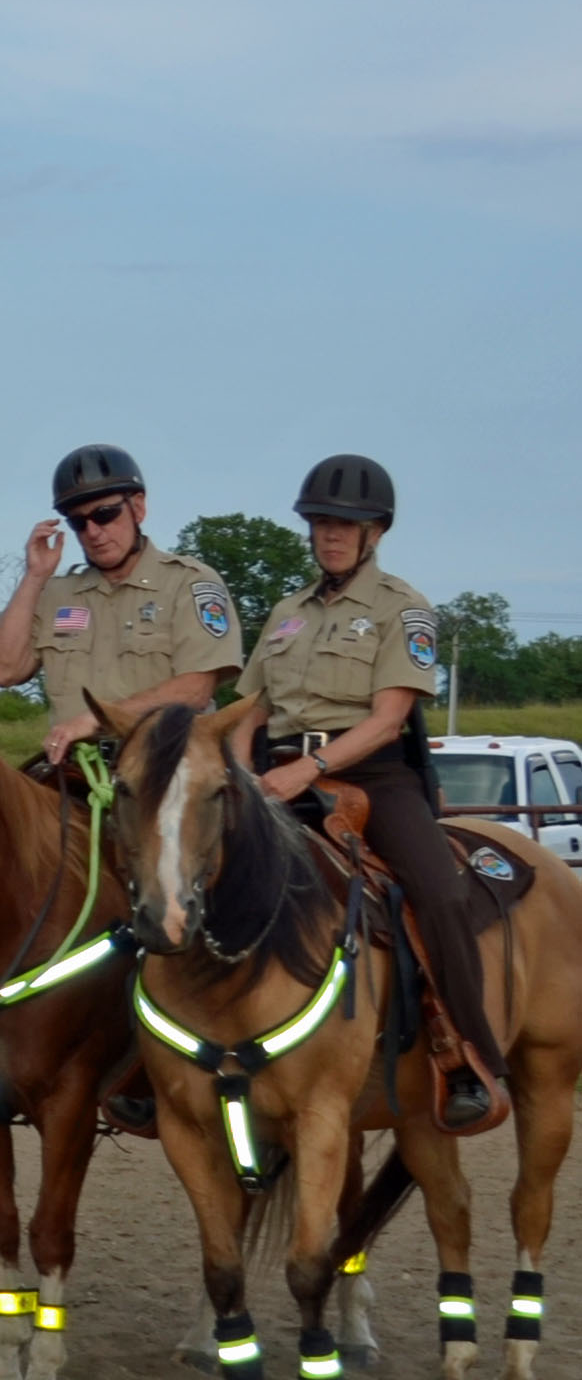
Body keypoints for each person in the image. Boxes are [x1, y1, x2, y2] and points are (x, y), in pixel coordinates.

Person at [236, 454, 503, 1134]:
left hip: (373, 775)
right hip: (274, 771)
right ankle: (160, 1057)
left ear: (375, 531)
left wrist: (311, 766)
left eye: (345, 524)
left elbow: (388, 717)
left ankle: (465, 1053)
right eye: (321, 522)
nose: (330, 534)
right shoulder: (286, 611)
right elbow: (248, 711)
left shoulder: (403, 608)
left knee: (438, 889)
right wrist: (241, 779)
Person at [0, 443, 243, 779]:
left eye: (105, 514)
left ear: (137, 508)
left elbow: (195, 689)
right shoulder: (57, 593)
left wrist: (96, 719)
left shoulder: (189, 583)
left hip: (165, 769)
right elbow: (2, 672)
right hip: (75, 772)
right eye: (78, 522)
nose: (93, 531)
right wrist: (35, 576)